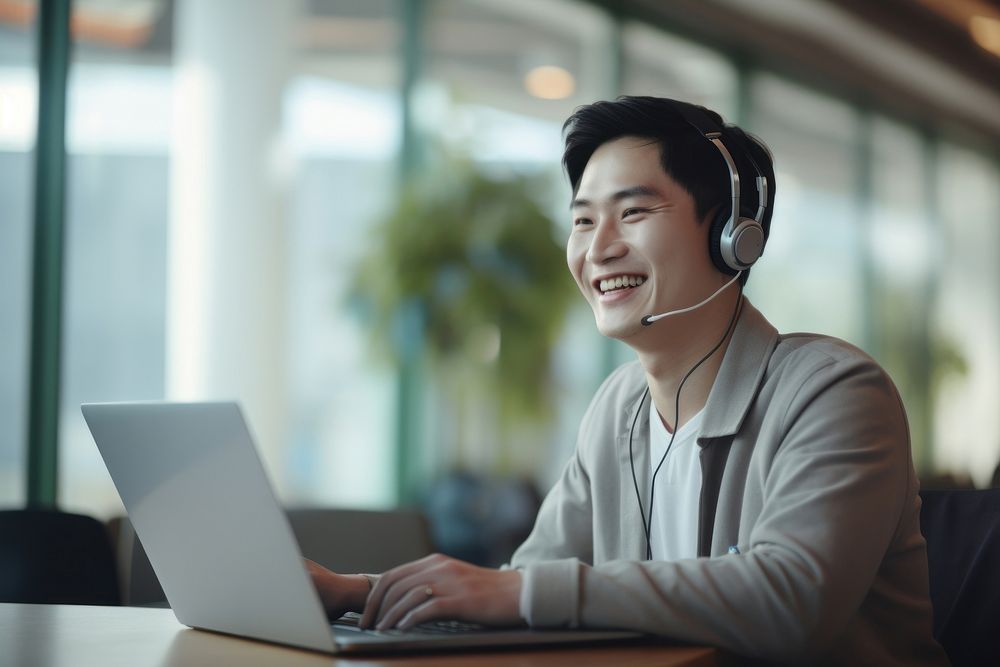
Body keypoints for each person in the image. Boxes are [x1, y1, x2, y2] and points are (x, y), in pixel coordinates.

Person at [308, 96, 948, 664]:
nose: (598, 247)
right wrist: (356, 594)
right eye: (583, 220)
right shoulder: (620, 407)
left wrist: (521, 591)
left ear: (733, 235)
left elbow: (793, 602)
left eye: (633, 212)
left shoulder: (834, 390)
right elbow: (524, 585)